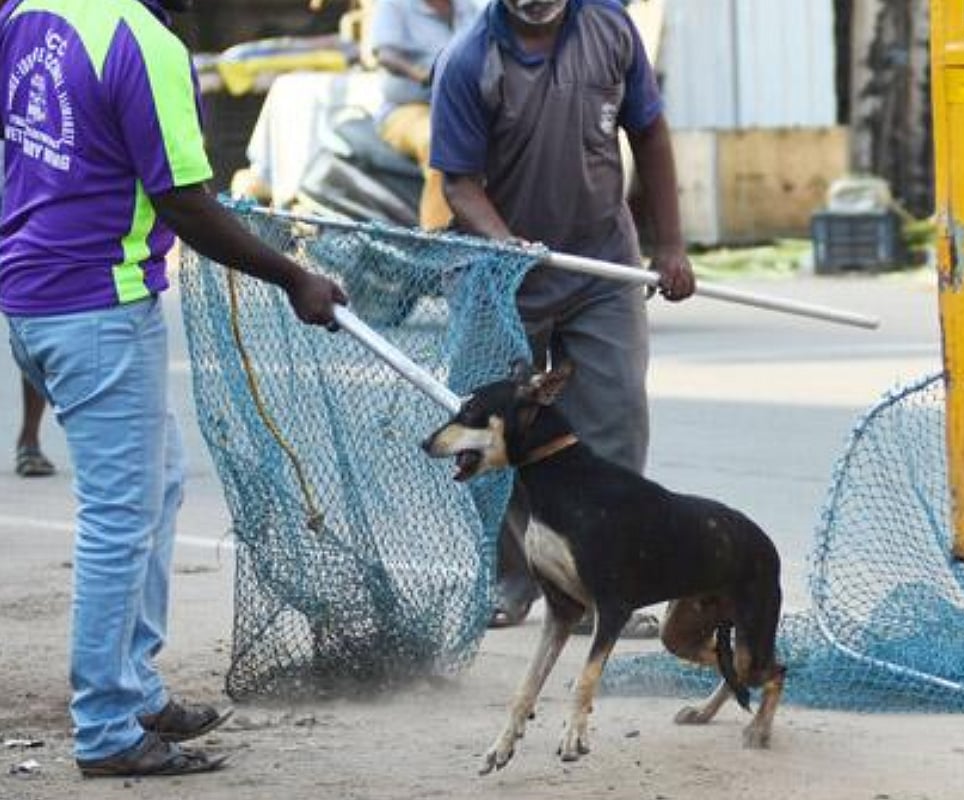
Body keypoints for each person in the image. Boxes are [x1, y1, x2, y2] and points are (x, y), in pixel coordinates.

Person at [0, 0, 346, 778]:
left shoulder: (28, 11)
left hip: (37, 299)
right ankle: (106, 730)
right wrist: (296, 278)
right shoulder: (144, 42)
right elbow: (184, 202)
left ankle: (133, 689)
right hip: (96, 303)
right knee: (118, 519)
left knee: (154, 483)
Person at [430, 0, 696, 631]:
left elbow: (650, 133)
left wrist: (673, 244)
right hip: (501, 277)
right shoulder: (470, 61)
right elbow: (459, 184)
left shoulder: (611, 31)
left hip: (600, 264)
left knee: (616, 420)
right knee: (495, 434)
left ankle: (605, 585)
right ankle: (512, 579)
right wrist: (506, 243)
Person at [370, 0, 483, 229]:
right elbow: (386, 55)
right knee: (439, 144)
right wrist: (425, 75)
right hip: (410, 108)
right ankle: (437, 239)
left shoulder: (467, 8)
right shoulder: (395, 5)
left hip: (459, 106)